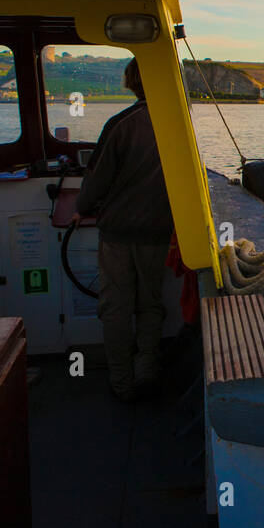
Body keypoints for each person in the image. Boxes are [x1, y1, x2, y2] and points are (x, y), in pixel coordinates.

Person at [75, 58, 175, 401]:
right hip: (159, 231)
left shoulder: (120, 124)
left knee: (116, 308)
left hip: (118, 233)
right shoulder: (178, 123)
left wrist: (81, 209)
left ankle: (122, 383)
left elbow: (96, 183)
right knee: (150, 303)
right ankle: (147, 368)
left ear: (131, 83)